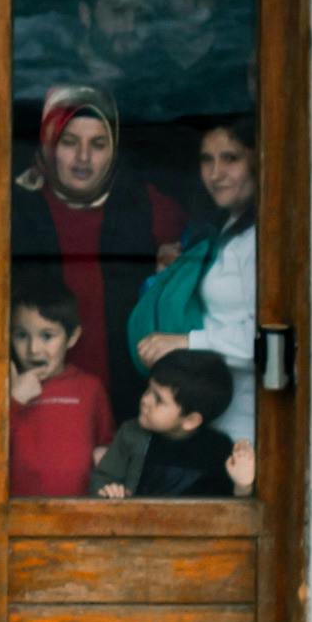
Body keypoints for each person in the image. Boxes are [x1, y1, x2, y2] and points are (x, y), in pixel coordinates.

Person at [16, 87, 185, 414]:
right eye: (68, 142)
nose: (83, 158)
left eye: (98, 144)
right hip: (34, 402)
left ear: (114, 148)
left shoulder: (149, 206)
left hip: (135, 403)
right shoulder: (13, 205)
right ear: (48, 145)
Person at [128, 115, 261, 443]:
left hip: (247, 423)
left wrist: (186, 341)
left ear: (259, 160)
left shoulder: (264, 240)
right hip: (204, 415)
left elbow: (269, 342)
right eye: (207, 160)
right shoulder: (227, 228)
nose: (216, 174)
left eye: (230, 158)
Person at [93, 348, 250, 501]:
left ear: (190, 421)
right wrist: (108, 491)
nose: (145, 400)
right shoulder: (131, 433)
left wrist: (242, 486)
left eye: (159, 399)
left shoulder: (218, 450)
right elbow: (102, 479)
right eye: (148, 389)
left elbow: (234, 511)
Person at [6, 289, 110, 501]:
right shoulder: (4, 387)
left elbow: (108, 448)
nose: (34, 349)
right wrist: (14, 400)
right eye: (21, 335)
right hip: (15, 515)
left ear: (72, 337)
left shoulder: (90, 388)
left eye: (47, 336)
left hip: (76, 513)